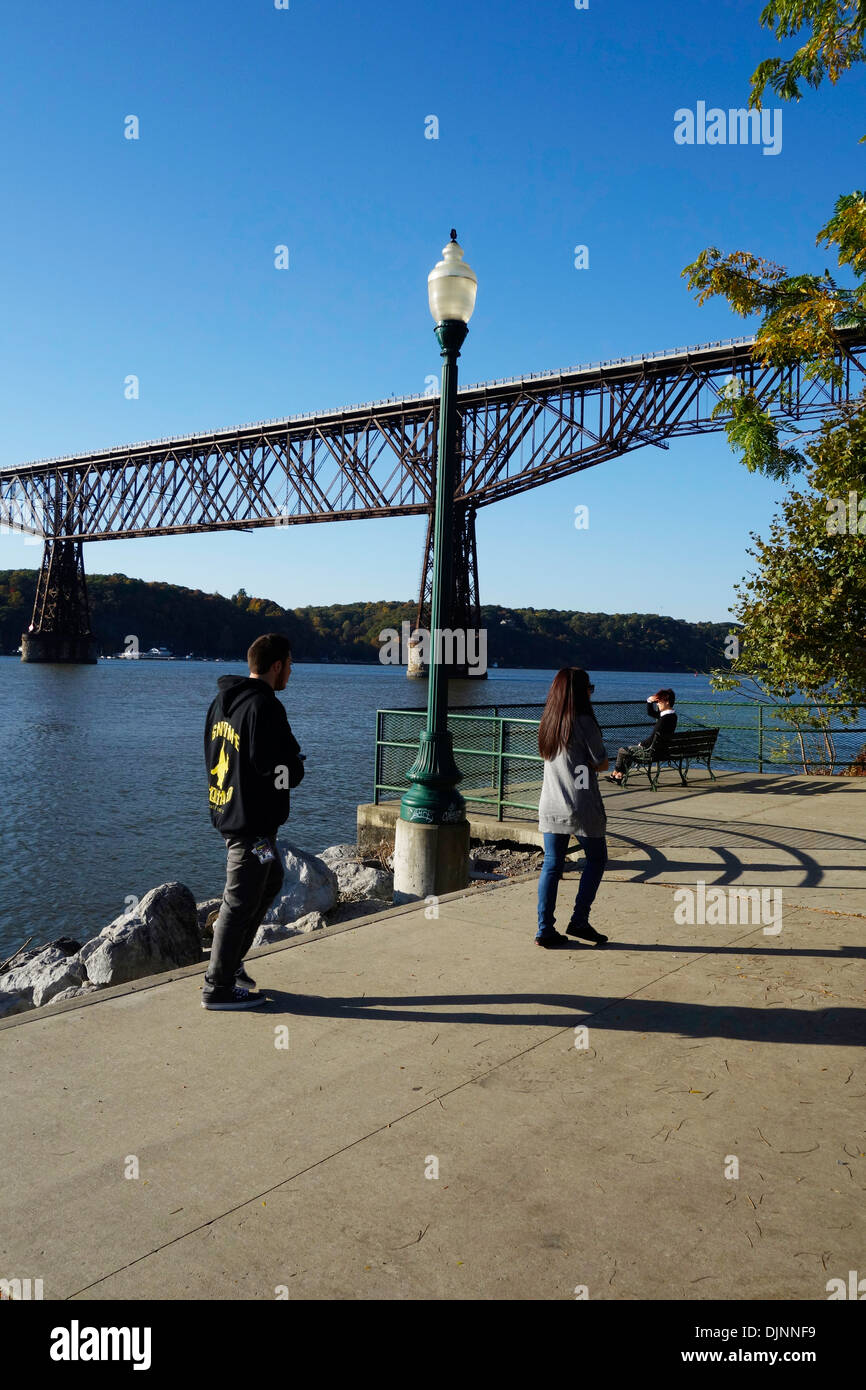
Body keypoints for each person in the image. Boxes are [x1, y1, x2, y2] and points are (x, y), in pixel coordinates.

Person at [201, 632, 306, 1010]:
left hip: (233, 813)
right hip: (251, 825)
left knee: (271, 878)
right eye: (289, 665)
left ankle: (232, 963)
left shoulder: (221, 703)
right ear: (276, 666)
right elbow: (275, 768)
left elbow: (214, 754)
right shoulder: (266, 706)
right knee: (238, 901)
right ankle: (217, 987)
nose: (291, 671)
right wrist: (294, 769)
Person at [536, 668, 610, 949]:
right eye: (589, 687)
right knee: (597, 859)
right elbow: (601, 762)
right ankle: (579, 920)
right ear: (581, 692)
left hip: (550, 801)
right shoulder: (584, 722)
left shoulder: (549, 722)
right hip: (581, 803)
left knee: (552, 865)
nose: (591, 692)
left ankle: (545, 929)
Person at [607, 689, 677, 785]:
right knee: (630, 752)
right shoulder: (672, 716)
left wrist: (641, 744)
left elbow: (653, 737)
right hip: (662, 750)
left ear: (667, 702)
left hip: (652, 752)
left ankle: (615, 773)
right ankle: (619, 775)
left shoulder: (664, 719)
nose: (657, 704)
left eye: (659, 701)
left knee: (622, 750)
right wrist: (649, 701)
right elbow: (652, 713)